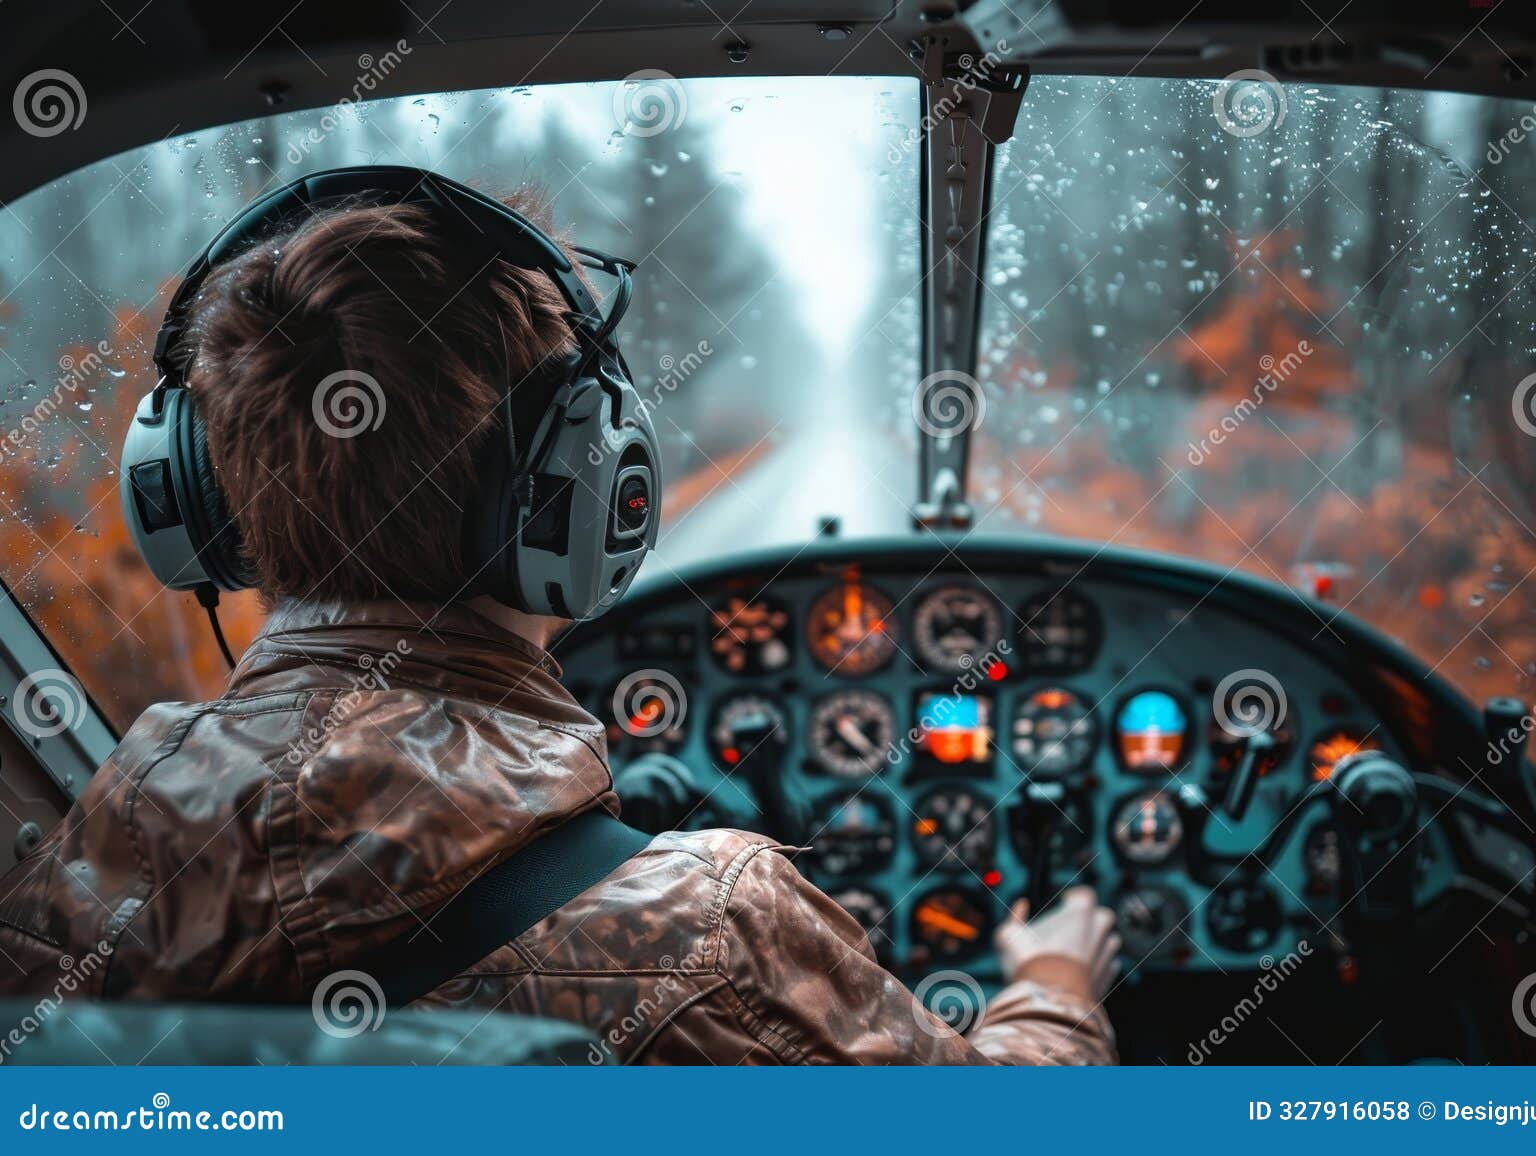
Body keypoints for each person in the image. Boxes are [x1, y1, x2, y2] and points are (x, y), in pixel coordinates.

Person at [0, 181, 1120, 1064]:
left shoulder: (80, 882)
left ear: (196, 500)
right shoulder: (709, 929)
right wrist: (1054, 987)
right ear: (586, 490)